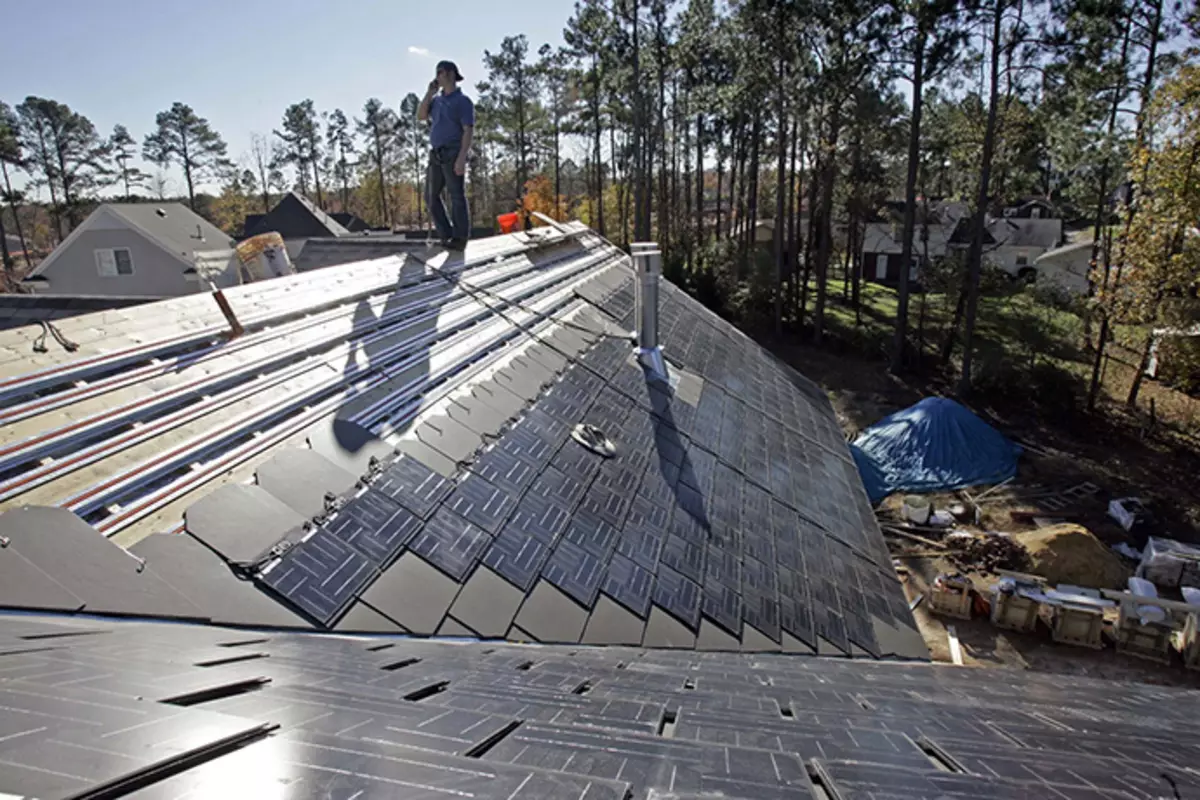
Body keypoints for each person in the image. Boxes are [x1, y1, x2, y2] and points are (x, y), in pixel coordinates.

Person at [418, 60, 474, 250]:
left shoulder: (463, 101)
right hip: (436, 154)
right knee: (430, 196)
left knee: (456, 195)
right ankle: (446, 234)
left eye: (440, 72)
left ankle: (460, 238)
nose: (437, 76)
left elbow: (468, 130)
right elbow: (421, 116)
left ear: (450, 74)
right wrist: (429, 93)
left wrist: (461, 157)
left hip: (453, 151)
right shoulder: (437, 101)